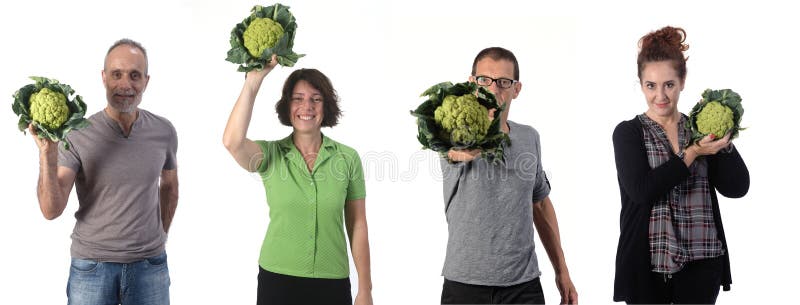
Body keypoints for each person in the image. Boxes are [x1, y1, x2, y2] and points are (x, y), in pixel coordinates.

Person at [30, 38, 179, 304]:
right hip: (92, 268)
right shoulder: (76, 134)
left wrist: (160, 237)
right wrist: (47, 152)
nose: (125, 84)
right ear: (103, 78)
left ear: (146, 80)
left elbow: (169, 187)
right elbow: (51, 210)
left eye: (135, 75)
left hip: (150, 267)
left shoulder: (164, 131)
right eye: (116, 74)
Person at [612, 26, 750, 304]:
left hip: (704, 260)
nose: (660, 96)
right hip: (649, 265)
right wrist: (692, 153)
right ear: (641, 84)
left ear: (683, 81)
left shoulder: (700, 129)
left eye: (669, 85)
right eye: (651, 86)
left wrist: (724, 143)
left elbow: (738, 188)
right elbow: (642, 191)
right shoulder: (628, 133)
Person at [223, 55, 373, 305]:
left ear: (326, 107)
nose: (307, 107)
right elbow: (232, 141)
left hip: (332, 281)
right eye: (298, 99)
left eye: (316, 99)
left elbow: (358, 224)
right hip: (278, 281)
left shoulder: (348, 158)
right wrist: (253, 82)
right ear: (287, 106)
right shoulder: (269, 155)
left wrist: (365, 289)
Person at [440, 47, 578, 305]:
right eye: (484, 80)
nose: (494, 90)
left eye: (504, 82)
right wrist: (472, 141)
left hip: (523, 286)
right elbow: (455, 151)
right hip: (464, 284)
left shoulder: (529, 138)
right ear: (472, 85)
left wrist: (562, 270)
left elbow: (540, 203)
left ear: (516, 89)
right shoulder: (452, 131)